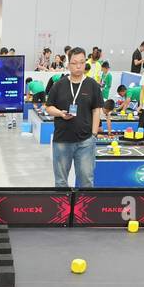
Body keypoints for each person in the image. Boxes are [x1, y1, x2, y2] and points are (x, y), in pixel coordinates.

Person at [44, 47, 104, 188]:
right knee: (61, 182)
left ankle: (84, 210)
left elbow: (96, 110)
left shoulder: (92, 85)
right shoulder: (59, 85)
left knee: (86, 181)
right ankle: (63, 210)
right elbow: (48, 107)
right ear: (68, 64)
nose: (78, 66)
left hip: (85, 142)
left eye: (82, 62)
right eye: (74, 63)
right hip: (62, 141)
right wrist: (60, 113)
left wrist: (94, 135)